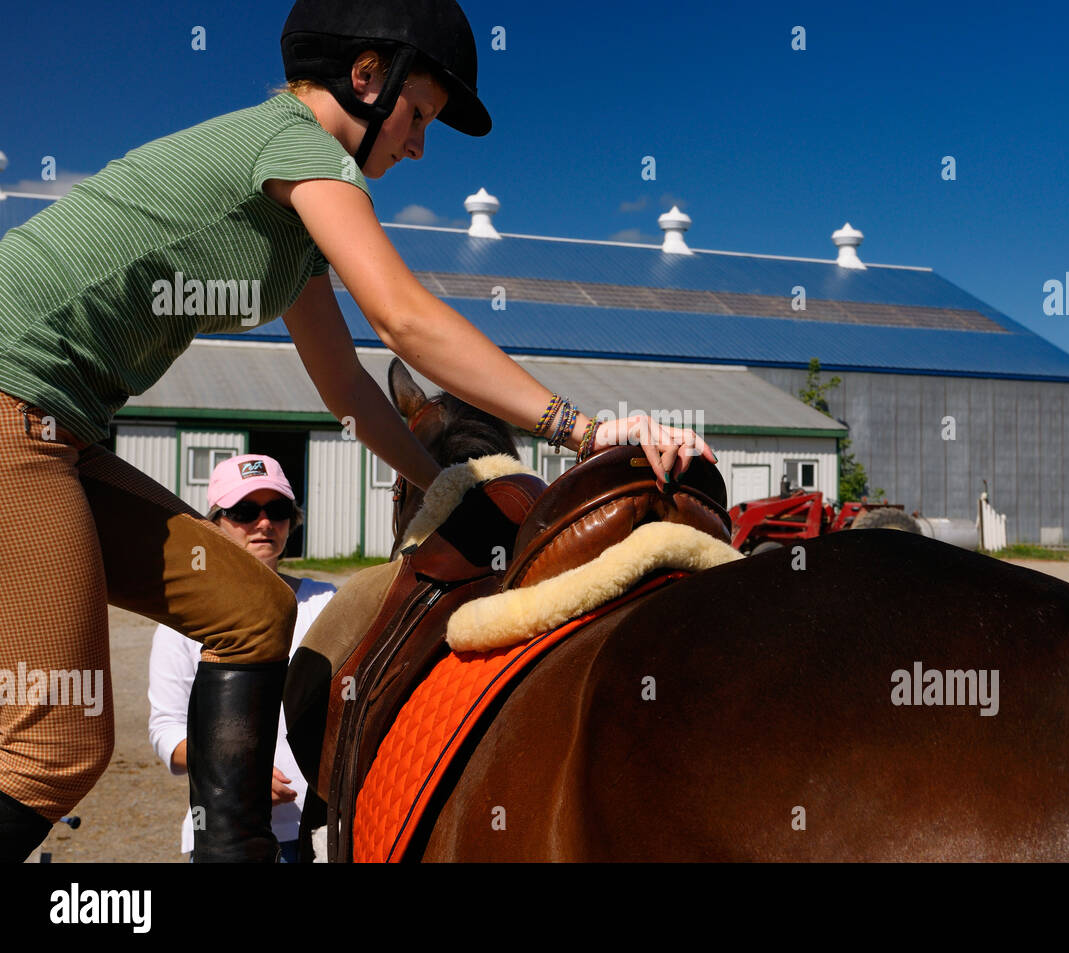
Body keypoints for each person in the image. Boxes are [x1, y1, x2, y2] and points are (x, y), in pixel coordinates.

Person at [0, 0, 714, 863]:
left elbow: (346, 387)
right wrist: (584, 430)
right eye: (419, 116)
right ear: (366, 79)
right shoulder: (297, 144)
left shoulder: (293, 226)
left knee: (252, 608)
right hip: (13, 399)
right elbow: (405, 320)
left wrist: (450, 485)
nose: (417, 147)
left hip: (59, 424)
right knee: (55, 752)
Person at [148, 455, 334, 862]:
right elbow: (167, 730)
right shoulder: (183, 620)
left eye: (279, 510)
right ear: (215, 523)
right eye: (245, 511)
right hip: (227, 831)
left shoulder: (327, 603)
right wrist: (238, 772)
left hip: (324, 834)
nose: (264, 524)